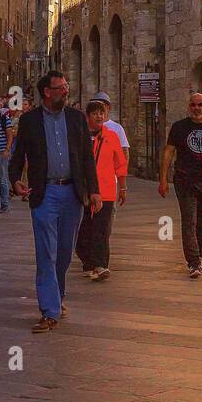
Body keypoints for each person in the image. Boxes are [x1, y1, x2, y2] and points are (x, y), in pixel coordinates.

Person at [9, 69, 100, 332]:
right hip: (45, 193)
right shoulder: (29, 121)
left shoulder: (76, 119)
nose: (66, 90)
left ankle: (58, 296)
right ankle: (49, 310)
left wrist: (93, 190)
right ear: (47, 92)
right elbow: (18, 156)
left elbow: (86, 157)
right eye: (61, 87)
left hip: (73, 193)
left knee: (63, 253)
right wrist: (15, 180)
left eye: (66, 86)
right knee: (46, 253)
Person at [159, 92, 202, 278]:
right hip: (185, 180)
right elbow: (168, 153)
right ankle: (194, 261)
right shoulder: (179, 127)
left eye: (200, 105)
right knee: (189, 220)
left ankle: (199, 255)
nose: (196, 108)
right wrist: (163, 179)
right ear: (188, 107)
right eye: (193, 105)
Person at [75, 99, 127, 281]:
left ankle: (100, 265)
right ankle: (89, 263)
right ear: (87, 116)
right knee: (81, 233)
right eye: (95, 113)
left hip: (106, 191)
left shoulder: (111, 136)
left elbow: (120, 164)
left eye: (102, 113)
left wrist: (123, 187)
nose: (99, 116)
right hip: (83, 192)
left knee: (101, 230)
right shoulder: (79, 136)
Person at [92, 91, 130, 165]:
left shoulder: (117, 128)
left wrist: (122, 173)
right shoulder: (87, 127)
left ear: (108, 108)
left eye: (103, 105)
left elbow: (124, 151)